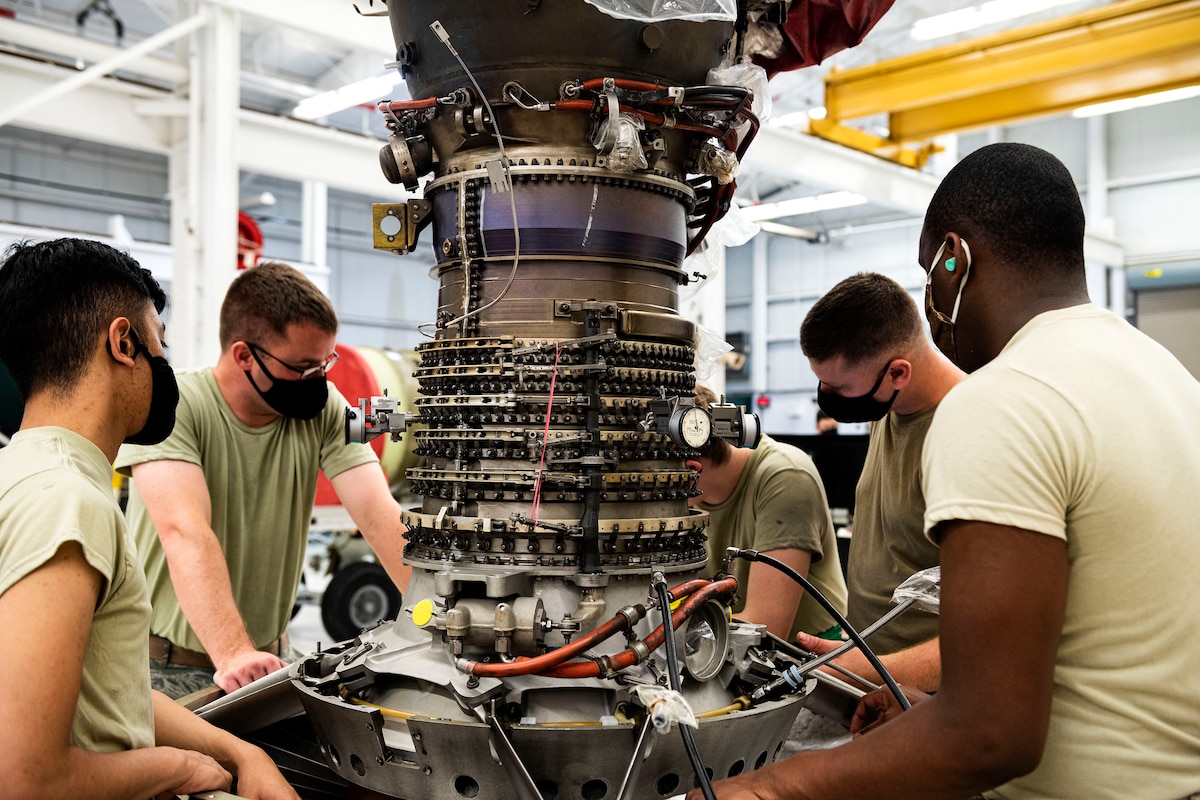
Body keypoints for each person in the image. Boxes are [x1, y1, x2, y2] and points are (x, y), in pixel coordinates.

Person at [690, 143, 1200, 799]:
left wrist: (770, 789)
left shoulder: (1002, 401)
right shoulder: (1171, 380)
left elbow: (990, 734)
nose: (930, 298)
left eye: (929, 273)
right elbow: (1104, 637)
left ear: (954, 259)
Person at [0, 238, 298, 800]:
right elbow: (26, 779)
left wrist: (239, 751)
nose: (165, 367)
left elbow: (112, 690)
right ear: (122, 342)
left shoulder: (21, 473)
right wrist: (180, 769)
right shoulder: (68, 503)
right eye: (158, 345)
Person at [116, 261, 411, 700]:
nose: (318, 379)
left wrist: (439, 613)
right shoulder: (175, 407)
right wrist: (233, 652)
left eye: (323, 363)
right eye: (303, 366)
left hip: (270, 660)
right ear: (244, 356)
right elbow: (185, 532)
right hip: (169, 669)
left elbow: (381, 514)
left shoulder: (326, 405)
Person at [797, 272, 964, 692]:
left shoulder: (965, 435)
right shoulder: (888, 410)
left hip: (925, 694)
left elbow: (996, 636)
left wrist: (872, 671)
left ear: (898, 373)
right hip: (873, 676)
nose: (826, 396)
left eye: (839, 387)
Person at [690, 385, 847, 642]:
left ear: (691, 470)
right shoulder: (695, 496)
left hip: (803, 660)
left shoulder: (785, 477)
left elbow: (765, 629)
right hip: (722, 646)